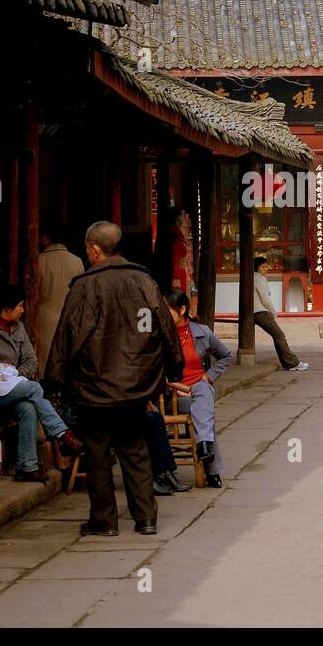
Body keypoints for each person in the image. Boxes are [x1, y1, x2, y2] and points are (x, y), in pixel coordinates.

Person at [45, 222, 183, 536]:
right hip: (136, 385)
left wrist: (54, 380)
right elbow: (166, 327)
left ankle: (105, 521)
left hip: (94, 386)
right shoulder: (144, 281)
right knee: (135, 449)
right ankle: (146, 517)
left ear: (95, 249)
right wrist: (173, 369)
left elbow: (67, 336)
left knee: (96, 452)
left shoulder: (84, 286)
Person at [0, 285, 81, 482]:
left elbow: (31, 360)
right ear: (6, 308)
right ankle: (60, 431)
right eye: (20, 306)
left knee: (28, 407)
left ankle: (26, 467)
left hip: (10, 386)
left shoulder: (18, 328)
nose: (23, 310)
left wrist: (14, 375)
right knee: (35, 387)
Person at [163, 289, 235, 488]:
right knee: (205, 410)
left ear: (182, 309)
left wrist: (208, 376)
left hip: (198, 389)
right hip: (174, 396)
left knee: (203, 392)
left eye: (167, 310)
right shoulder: (159, 337)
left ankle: (204, 446)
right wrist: (173, 385)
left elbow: (227, 355)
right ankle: (210, 465)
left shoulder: (201, 332)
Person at [37, 219, 84, 373]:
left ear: (45, 238)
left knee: (44, 368)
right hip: (70, 322)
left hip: (44, 323)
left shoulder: (38, 261)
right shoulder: (77, 262)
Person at [253, 256, 308, 371]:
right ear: (256, 268)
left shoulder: (257, 278)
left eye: (266, 266)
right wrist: (273, 312)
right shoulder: (258, 279)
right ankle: (292, 364)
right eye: (263, 267)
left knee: (277, 336)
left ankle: (289, 363)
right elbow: (265, 299)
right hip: (260, 312)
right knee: (279, 335)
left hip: (257, 311)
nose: (266, 269)